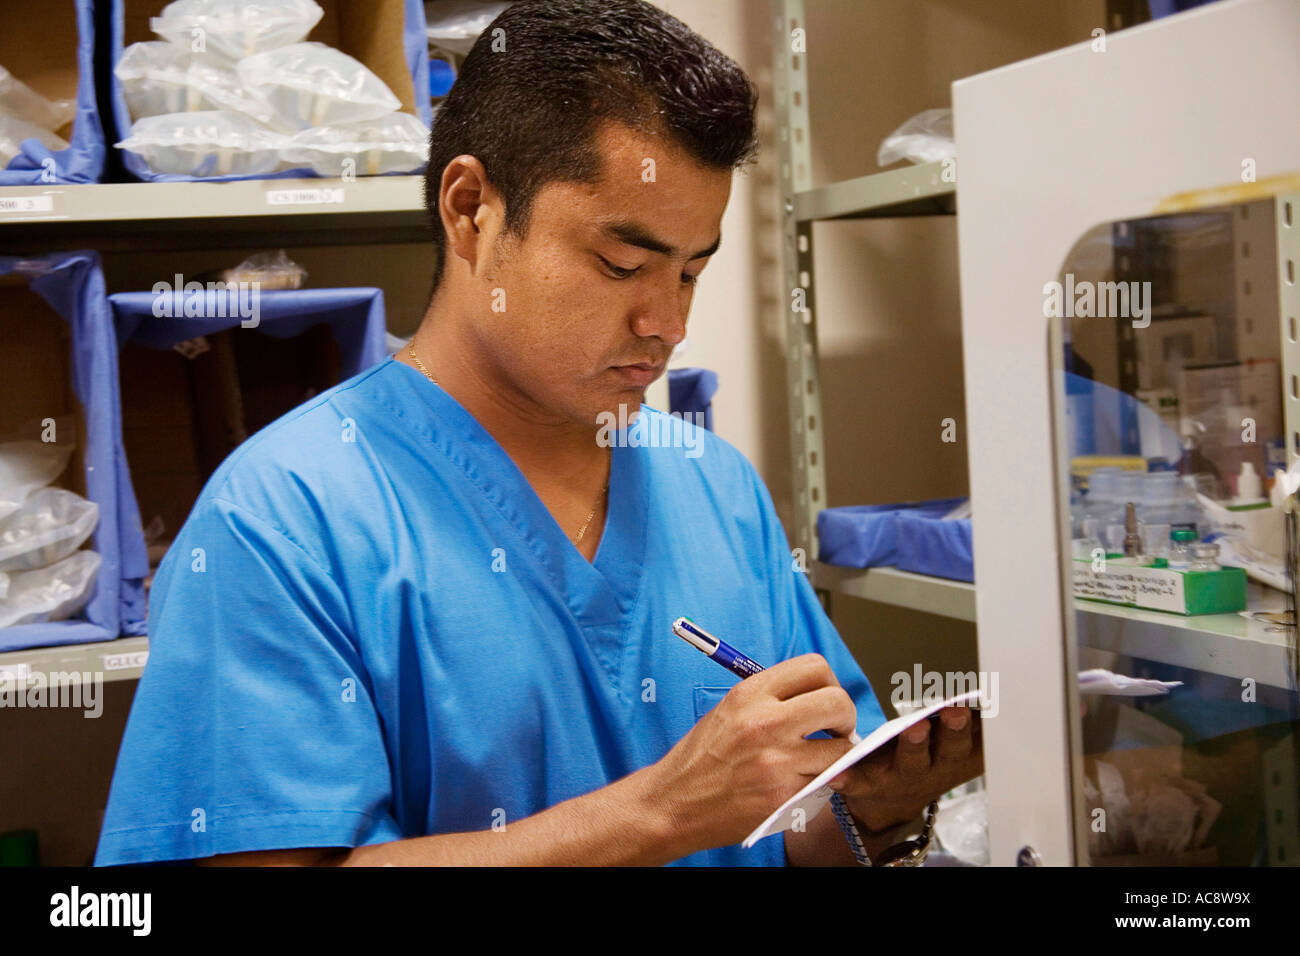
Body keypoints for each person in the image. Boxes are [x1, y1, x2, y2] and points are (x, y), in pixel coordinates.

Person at [95, 0, 982, 867]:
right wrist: (660, 814)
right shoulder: (284, 518)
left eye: (692, 273)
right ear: (472, 208)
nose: (667, 324)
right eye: (621, 265)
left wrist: (872, 807)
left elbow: (795, 831)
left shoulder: (713, 486)